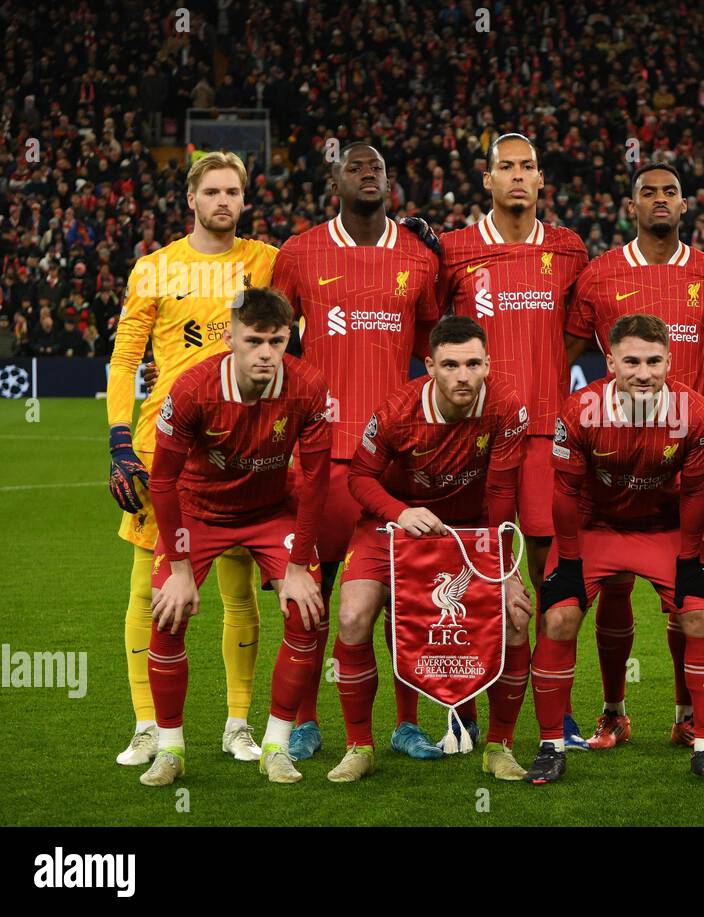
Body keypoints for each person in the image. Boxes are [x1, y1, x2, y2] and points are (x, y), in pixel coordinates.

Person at [565, 160, 704, 750]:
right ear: (631, 206)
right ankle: (614, 710)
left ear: (686, 203)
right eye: (649, 193)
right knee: (613, 590)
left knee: (687, 600)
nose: (660, 200)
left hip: (688, 466)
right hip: (615, 464)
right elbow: (563, 349)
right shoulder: (598, 275)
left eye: (671, 191)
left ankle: (687, 713)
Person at [270, 141, 444, 762]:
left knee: (403, 599)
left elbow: (429, 351)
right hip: (319, 459)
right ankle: (306, 719)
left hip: (395, 464)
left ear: (390, 183)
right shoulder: (299, 253)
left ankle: (406, 723)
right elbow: (276, 348)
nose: (368, 175)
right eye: (355, 167)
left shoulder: (419, 258)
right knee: (311, 596)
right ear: (334, 181)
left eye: (378, 168)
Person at [106, 151, 279, 768]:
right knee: (147, 590)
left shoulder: (267, 262)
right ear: (191, 199)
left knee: (238, 590)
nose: (224, 200)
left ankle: (238, 723)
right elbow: (126, 360)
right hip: (164, 448)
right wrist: (119, 439)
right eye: (213, 191)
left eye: (234, 190)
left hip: (241, 447)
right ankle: (147, 725)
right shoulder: (153, 269)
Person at [324, 315, 533, 782]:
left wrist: (506, 573)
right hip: (394, 523)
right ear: (430, 365)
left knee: (516, 617)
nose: (464, 375)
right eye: (451, 365)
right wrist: (399, 512)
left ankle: (500, 745)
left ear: (488, 364)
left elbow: (502, 494)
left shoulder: (506, 406)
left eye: (474, 364)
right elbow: (360, 477)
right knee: (354, 615)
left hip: (470, 529)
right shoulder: (398, 410)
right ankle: (359, 746)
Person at [525, 314, 704, 784]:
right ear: (611, 361)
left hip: (663, 529)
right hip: (595, 527)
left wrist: (687, 558)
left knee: (701, 613)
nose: (643, 372)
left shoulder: (695, 411)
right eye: (632, 360)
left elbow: (697, 491)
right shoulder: (579, 410)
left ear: (669, 362)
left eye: (654, 361)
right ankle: (551, 744)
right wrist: (571, 563)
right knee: (558, 615)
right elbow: (565, 493)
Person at [139, 287, 331, 786]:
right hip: (198, 511)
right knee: (165, 613)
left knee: (307, 613)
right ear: (232, 339)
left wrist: (297, 568)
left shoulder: (308, 386)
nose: (266, 353)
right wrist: (180, 571)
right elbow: (161, 481)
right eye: (254, 341)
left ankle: (276, 745)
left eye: (276, 340)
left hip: (270, 510)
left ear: (290, 336)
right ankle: (170, 749)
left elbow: (314, 481)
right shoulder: (192, 389)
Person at [438, 133, 592, 749]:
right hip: (472, 441)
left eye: (528, 167)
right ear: (487, 178)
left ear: (540, 178)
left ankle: (558, 715)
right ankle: (462, 710)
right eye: (507, 168)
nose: (519, 177)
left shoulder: (569, 248)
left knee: (553, 578)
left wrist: (543, 379)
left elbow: (574, 333)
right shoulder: (454, 250)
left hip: (546, 438)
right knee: (473, 575)